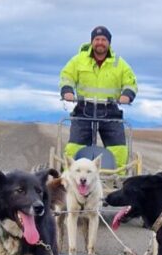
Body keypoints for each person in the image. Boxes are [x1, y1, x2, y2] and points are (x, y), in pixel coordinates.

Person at [59, 26, 137, 170]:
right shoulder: (78, 60)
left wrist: (127, 95)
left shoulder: (119, 63)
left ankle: (117, 181)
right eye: (97, 39)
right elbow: (67, 76)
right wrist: (67, 90)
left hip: (110, 110)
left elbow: (130, 82)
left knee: (119, 150)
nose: (100, 42)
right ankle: (68, 180)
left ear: (109, 43)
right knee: (74, 148)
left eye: (103, 39)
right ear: (92, 41)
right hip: (84, 109)